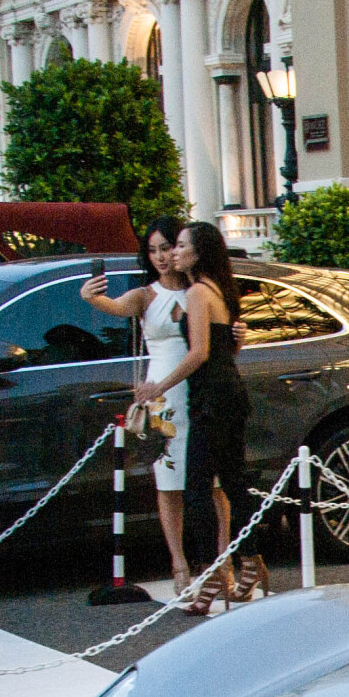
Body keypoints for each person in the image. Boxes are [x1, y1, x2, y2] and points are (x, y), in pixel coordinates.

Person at [139, 223, 261, 612]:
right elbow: (224, 350)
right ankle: (249, 564)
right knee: (234, 484)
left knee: (197, 491)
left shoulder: (196, 292)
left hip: (211, 399)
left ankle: (210, 579)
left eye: (180, 246)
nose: (174, 253)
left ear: (199, 253)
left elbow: (199, 353)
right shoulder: (217, 290)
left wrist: (157, 387)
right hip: (227, 394)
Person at [82, 219, 193, 594]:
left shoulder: (200, 291)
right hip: (161, 396)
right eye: (154, 250)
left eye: (167, 247)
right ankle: (179, 563)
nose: (161, 257)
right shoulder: (147, 295)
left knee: (211, 483)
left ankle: (222, 559)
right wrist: (90, 296)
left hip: (199, 391)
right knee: (169, 481)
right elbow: (113, 306)